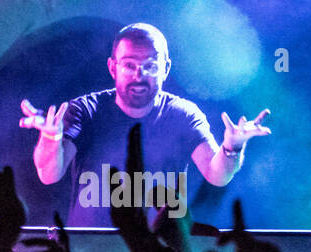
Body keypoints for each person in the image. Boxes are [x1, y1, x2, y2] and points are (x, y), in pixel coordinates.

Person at [20, 23, 272, 226]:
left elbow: (217, 176)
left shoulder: (182, 114)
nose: (139, 75)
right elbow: (49, 174)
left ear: (165, 69)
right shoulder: (85, 110)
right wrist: (51, 139)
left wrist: (233, 147)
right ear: (113, 67)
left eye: (150, 66)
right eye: (129, 65)